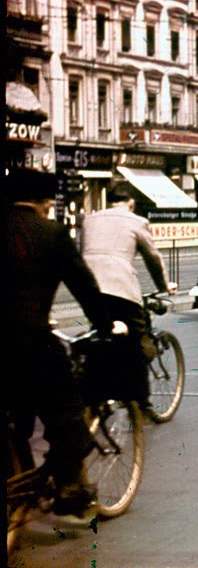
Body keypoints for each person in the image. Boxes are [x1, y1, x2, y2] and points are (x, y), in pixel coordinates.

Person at [2, 169, 121, 517]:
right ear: (44, 202)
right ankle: (70, 490)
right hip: (28, 342)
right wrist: (106, 324)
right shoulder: (51, 232)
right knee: (66, 414)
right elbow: (84, 286)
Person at [80, 184, 178, 412]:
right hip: (120, 287)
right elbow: (152, 257)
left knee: (100, 332)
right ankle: (141, 402)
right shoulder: (137, 221)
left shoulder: (89, 220)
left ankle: (96, 394)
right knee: (136, 340)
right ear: (131, 203)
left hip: (88, 287)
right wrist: (164, 285)